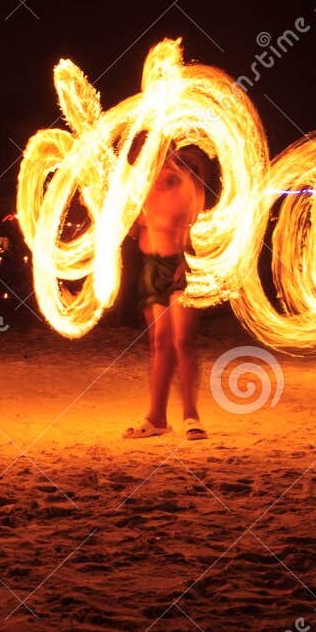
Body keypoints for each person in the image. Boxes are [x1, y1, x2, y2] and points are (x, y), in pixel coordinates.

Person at [124, 146, 207, 440]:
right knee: (159, 341)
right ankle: (157, 417)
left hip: (181, 267)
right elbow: (130, 226)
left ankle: (191, 416)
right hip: (152, 267)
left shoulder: (187, 186)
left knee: (182, 340)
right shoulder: (143, 188)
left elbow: (200, 228)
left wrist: (189, 259)